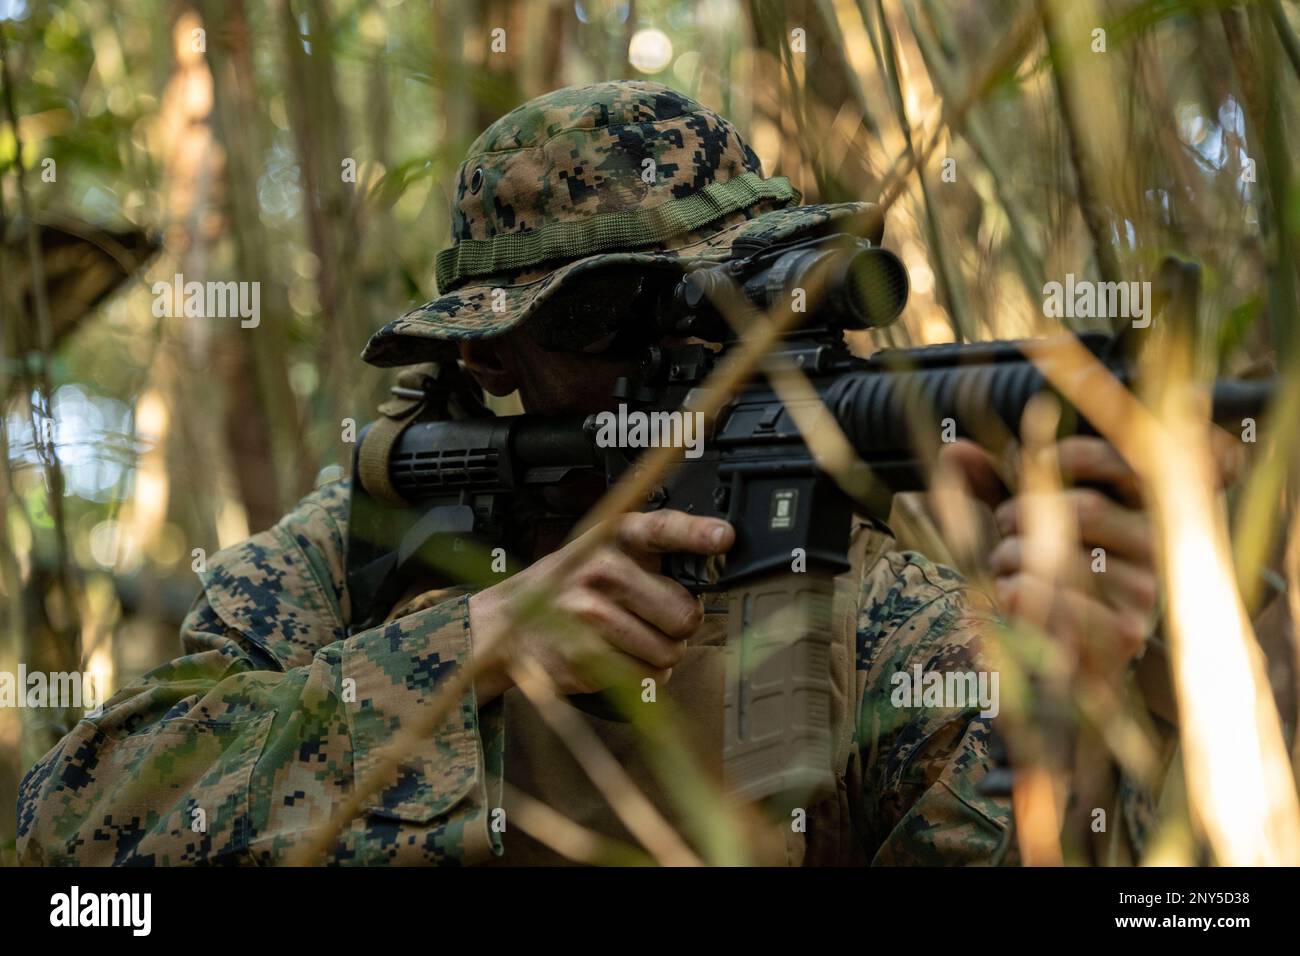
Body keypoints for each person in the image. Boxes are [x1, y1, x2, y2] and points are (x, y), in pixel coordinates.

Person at [17, 80, 1161, 866]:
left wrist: (1070, 705)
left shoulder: (876, 611)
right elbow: (73, 833)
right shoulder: (349, 555)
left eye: (733, 304)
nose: (695, 362)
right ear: (488, 354)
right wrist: (469, 647)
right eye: (613, 319)